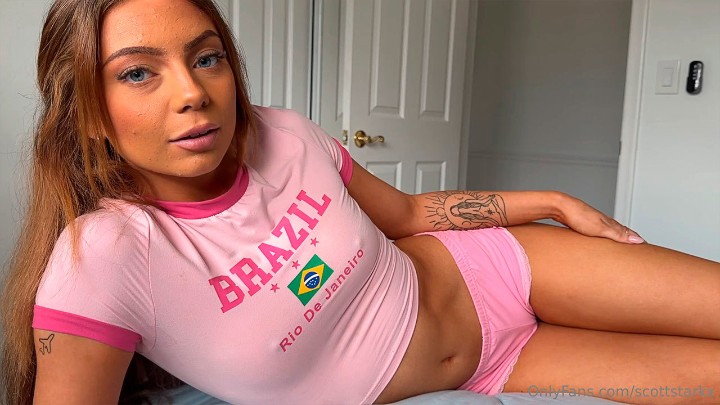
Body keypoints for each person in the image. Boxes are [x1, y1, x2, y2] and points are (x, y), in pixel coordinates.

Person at [1, 0, 718, 404]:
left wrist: (550, 201)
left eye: (206, 56)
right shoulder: (104, 256)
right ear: (87, 111)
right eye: (137, 73)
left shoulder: (285, 135)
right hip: (501, 365)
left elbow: (406, 215)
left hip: (503, 266)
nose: (192, 91)